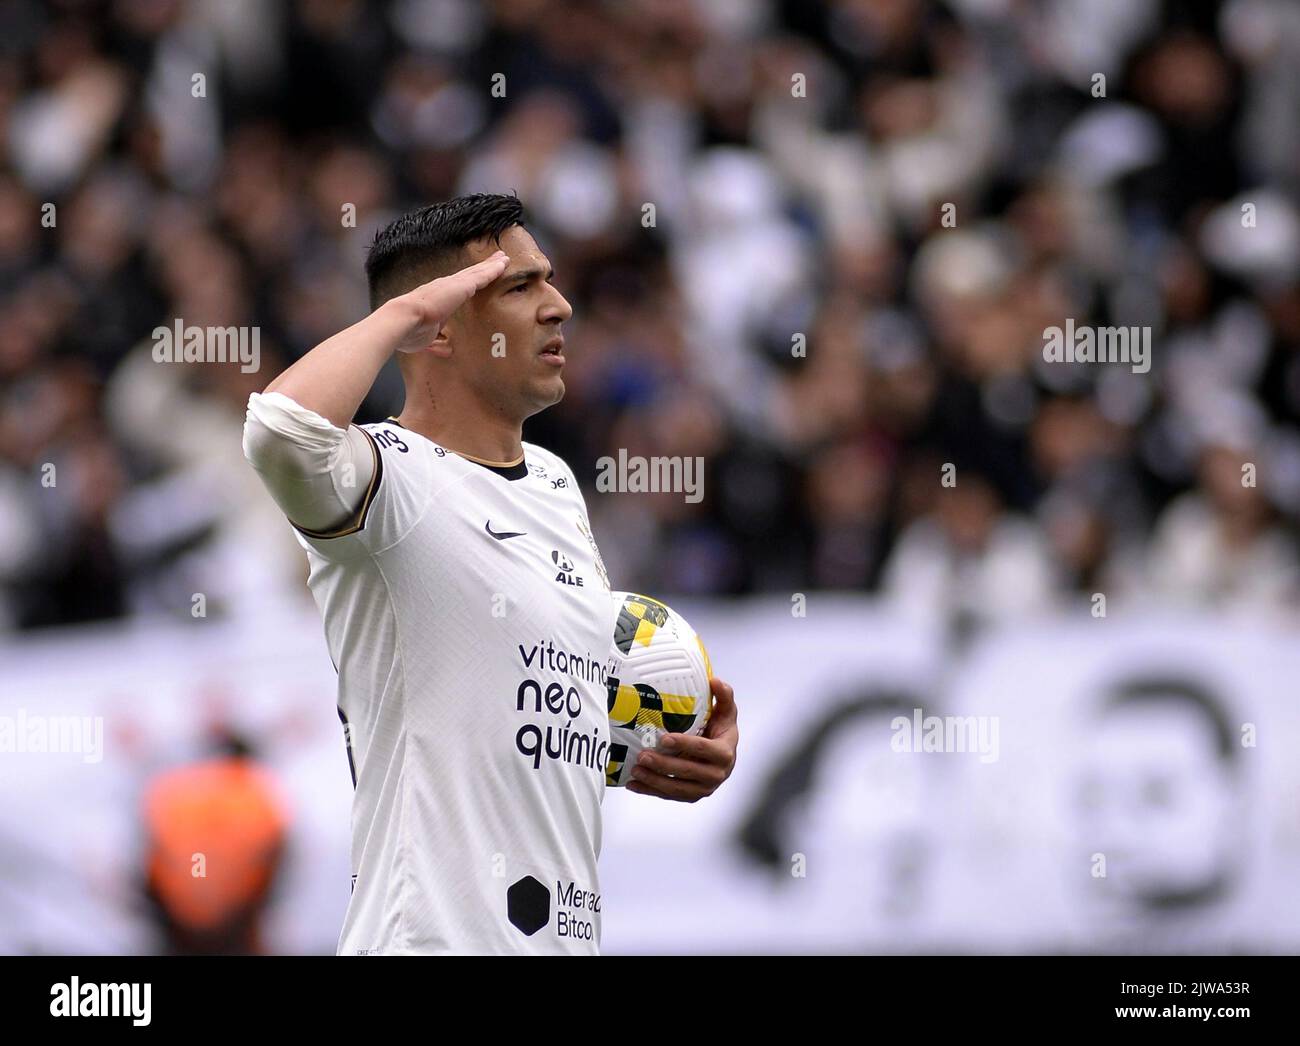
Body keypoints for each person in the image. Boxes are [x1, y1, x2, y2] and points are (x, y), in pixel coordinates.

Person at [241, 193, 738, 955]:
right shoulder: (386, 479)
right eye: (521, 286)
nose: (560, 307)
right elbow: (279, 431)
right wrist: (397, 318)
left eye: (551, 281)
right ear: (437, 323)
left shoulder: (554, 486)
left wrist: (661, 742)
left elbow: (513, 712)